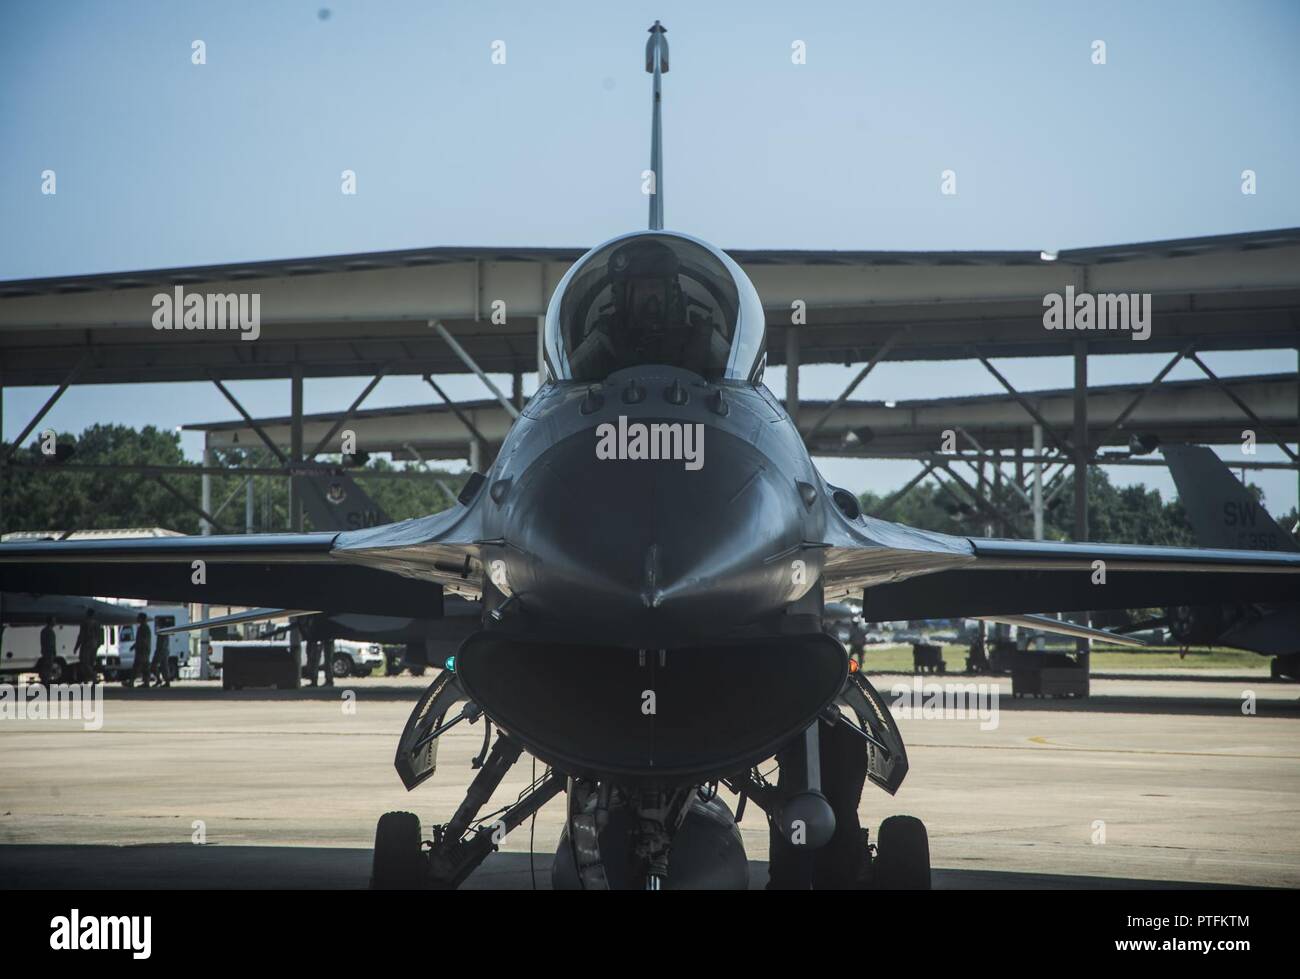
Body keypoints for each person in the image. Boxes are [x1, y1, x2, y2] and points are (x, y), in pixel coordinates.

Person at [73, 608, 100, 686]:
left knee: (84, 662)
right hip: (94, 645)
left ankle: (93, 676)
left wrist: (76, 647)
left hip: (86, 644)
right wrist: (97, 645)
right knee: (91, 663)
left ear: (87, 614)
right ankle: (87, 680)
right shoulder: (97, 623)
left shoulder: (85, 623)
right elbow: (99, 636)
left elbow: (81, 636)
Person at [127, 612, 152, 688]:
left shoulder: (144, 628)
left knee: (137, 666)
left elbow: (142, 640)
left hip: (142, 650)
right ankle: (146, 682)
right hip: (143, 650)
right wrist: (134, 646)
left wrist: (137, 646)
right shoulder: (143, 627)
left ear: (142, 619)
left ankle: (132, 682)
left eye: (139, 618)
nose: (137, 619)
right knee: (144, 667)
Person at [38, 615, 57, 684]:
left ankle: (44, 681)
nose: (55, 622)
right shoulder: (50, 631)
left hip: (45, 652)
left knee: (45, 667)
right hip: (49, 652)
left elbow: (42, 642)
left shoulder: (43, 631)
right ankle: (45, 682)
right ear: (51, 622)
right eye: (54, 620)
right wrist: (54, 652)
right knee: (48, 668)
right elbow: (51, 643)